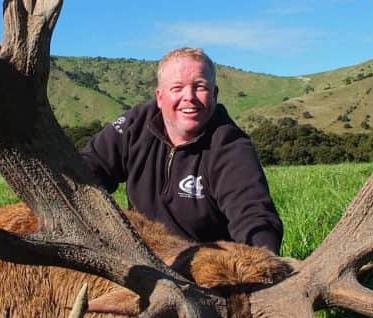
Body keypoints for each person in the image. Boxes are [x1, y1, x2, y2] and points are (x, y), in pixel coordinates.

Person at [80, 47, 283, 253]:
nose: (189, 97)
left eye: (200, 87)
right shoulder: (135, 125)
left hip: (205, 267)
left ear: (214, 94)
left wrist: (262, 261)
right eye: (177, 88)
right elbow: (86, 170)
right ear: (160, 97)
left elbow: (253, 216)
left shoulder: (231, 145)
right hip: (142, 255)